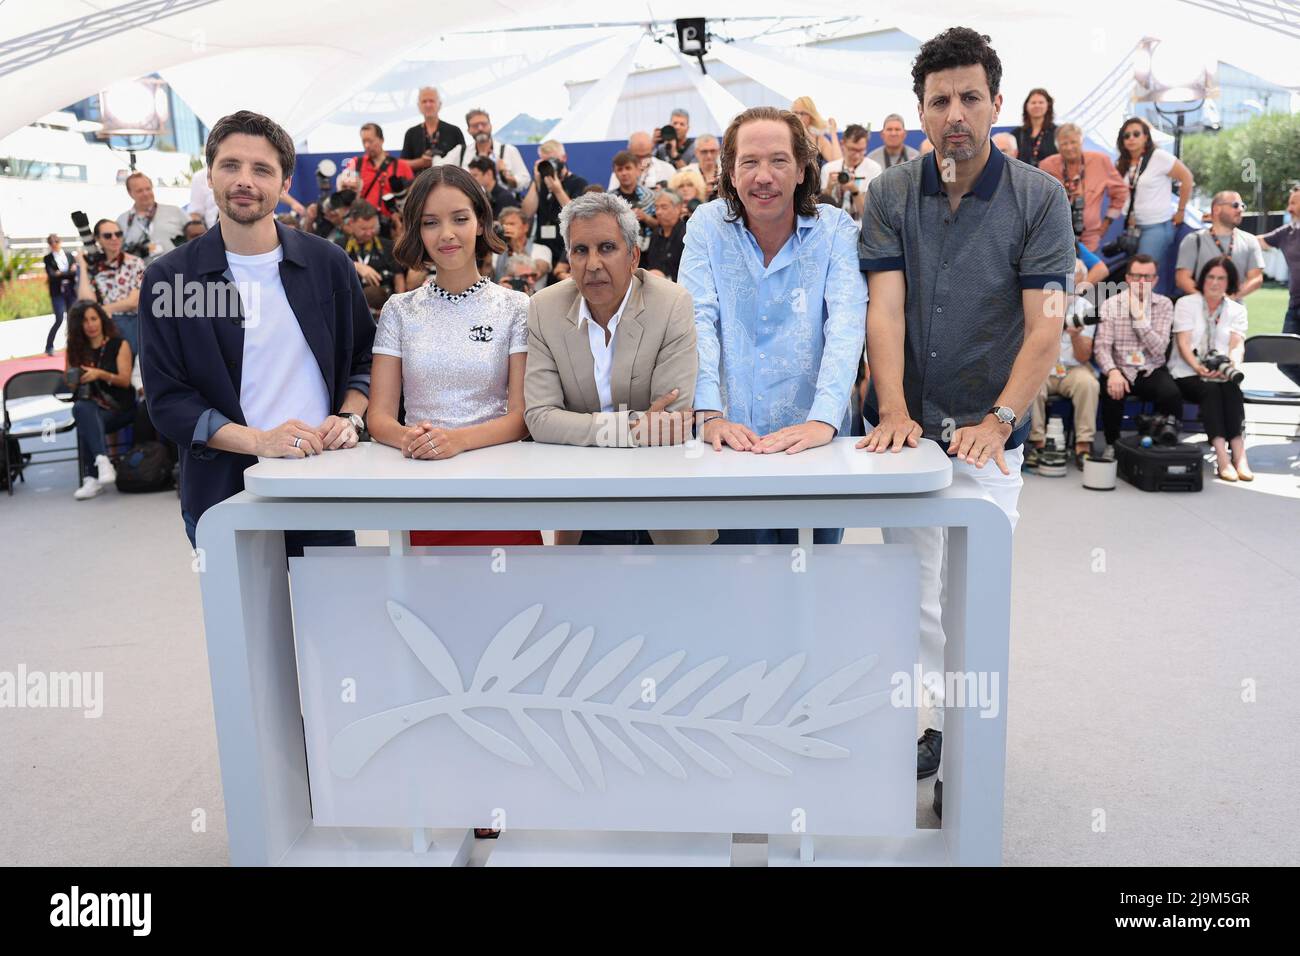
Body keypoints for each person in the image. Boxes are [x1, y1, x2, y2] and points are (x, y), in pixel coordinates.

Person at [856, 28, 1073, 813]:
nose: (955, 113)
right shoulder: (888, 193)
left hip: (992, 434)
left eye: (970, 97)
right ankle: (931, 726)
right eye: (940, 99)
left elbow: (1046, 323)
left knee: (972, 598)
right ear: (920, 110)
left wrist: (1002, 416)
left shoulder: (1040, 198)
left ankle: (965, 751)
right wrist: (892, 408)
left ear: (996, 103)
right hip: (907, 431)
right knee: (912, 591)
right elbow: (885, 309)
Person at [139, 110, 374, 553]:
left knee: (330, 600)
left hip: (321, 485)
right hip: (223, 493)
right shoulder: (172, 279)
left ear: (285, 184)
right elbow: (168, 400)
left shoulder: (327, 264)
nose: (244, 180)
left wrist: (350, 417)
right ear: (210, 174)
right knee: (242, 603)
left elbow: (366, 357)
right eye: (231, 165)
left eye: (262, 169)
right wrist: (260, 442)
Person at [681, 105, 866, 546]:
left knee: (813, 570)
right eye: (749, 162)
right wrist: (708, 414)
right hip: (731, 441)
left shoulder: (835, 230)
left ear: (802, 169)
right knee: (741, 572)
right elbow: (696, 319)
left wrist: (823, 420)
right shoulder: (707, 226)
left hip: (815, 443)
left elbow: (846, 325)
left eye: (779, 160)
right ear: (730, 172)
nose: (763, 176)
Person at [368, 164, 539, 548]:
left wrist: (457, 441)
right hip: (421, 484)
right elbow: (378, 417)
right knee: (422, 586)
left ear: (480, 222)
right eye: (431, 223)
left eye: (459, 219)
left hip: (500, 485)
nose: (446, 234)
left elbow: (520, 418)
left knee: (517, 585)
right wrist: (414, 440)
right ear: (417, 231)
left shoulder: (515, 306)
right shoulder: (399, 310)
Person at [525, 192, 697, 546]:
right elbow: (540, 418)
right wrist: (631, 428)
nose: (592, 264)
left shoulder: (671, 303)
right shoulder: (544, 308)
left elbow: (672, 421)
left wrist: (580, 425)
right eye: (580, 250)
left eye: (607, 248)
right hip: (583, 507)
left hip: (661, 506)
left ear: (633, 256)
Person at [1170, 257, 1252, 480]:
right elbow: (1183, 344)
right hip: (1187, 372)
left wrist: (1231, 365)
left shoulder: (1236, 310)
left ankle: (1240, 455)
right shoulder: (1186, 304)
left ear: (1229, 282)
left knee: (1232, 388)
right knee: (1211, 390)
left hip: (1221, 372)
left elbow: (1237, 345)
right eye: (1211, 277)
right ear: (1202, 279)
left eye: (1221, 278)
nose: (1215, 283)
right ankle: (1221, 456)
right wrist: (1198, 368)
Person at [1094, 254, 1182, 455]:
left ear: (1155, 280)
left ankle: (1164, 442)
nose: (1141, 282)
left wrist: (1139, 318)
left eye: (1147, 277)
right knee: (1112, 390)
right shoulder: (1111, 304)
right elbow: (1101, 347)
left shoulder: (1164, 304)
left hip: (1151, 368)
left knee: (1171, 394)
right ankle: (1112, 445)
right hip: (1120, 367)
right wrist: (1112, 372)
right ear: (1127, 278)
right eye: (1136, 276)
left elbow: (1159, 348)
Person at [1027, 259, 1100, 469]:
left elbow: (1084, 356)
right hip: (1042, 367)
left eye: (1075, 279)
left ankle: (1083, 446)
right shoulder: (1039, 303)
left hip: (1072, 368)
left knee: (1089, 384)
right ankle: (1038, 444)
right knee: (1029, 384)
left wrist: (1075, 336)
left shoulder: (1086, 309)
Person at [64, 300, 135, 500]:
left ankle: (91, 477)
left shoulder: (119, 344)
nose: (90, 325)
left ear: (102, 319)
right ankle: (102, 461)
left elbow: (125, 381)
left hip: (119, 407)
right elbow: (69, 383)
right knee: (82, 409)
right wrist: (74, 379)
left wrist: (99, 374)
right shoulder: (75, 349)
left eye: (94, 318)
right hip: (91, 408)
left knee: (84, 419)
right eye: (84, 321)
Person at [1115, 116, 1193, 272]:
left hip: (1156, 227)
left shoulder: (1159, 156)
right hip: (1132, 227)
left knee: (1142, 273)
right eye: (1126, 135)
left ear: (1146, 137)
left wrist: (1181, 210)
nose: (1131, 138)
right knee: (1135, 274)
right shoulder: (1123, 162)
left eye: (1136, 134)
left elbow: (1187, 178)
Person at [1038, 122, 1129, 253]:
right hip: (1056, 236)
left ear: (1081, 142)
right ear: (1057, 146)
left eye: (1073, 142)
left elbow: (1121, 192)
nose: (1069, 147)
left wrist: (1107, 222)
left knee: (1089, 266)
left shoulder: (1100, 160)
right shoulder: (1046, 165)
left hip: (1090, 237)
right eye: (1064, 144)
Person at [74, 219, 145, 360]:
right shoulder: (93, 266)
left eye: (118, 234)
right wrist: (82, 266)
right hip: (102, 328)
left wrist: (101, 310)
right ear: (97, 239)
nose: (114, 238)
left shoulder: (135, 263)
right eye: (108, 235)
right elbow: (86, 302)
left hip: (130, 325)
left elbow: (133, 302)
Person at [1175, 191, 1265, 300]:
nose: (1240, 210)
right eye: (1235, 205)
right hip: (1199, 307)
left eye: (1242, 206)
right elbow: (1182, 278)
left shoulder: (1250, 240)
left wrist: (1230, 299)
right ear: (1217, 209)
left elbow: (1256, 278)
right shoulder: (1193, 240)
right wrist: (1208, 300)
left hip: (1234, 308)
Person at [521, 139, 588, 276]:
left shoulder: (578, 183)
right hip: (543, 249)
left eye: (553, 160)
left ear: (564, 158)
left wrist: (557, 190)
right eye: (545, 162)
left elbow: (577, 214)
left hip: (567, 248)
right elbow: (526, 213)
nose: (550, 165)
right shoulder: (541, 183)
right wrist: (536, 181)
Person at [1257, 184, 1300, 386]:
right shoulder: (1287, 233)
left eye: (1294, 203)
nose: (1289, 208)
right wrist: (1222, 228)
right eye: (1289, 203)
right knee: (1285, 361)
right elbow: (1256, 241)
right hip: (1294, 306)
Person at [337, 200, 405, 313]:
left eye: (373, 227)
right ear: (351, 223)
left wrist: (399, 308)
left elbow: (399, 279)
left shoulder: (387, 246)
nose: (369, 233)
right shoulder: (339, 246)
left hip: (384, 309)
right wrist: (355, 266)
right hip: (350, 309)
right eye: (363, 229)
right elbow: (329, 270)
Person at [440, 109, 530, 195]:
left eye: (484, 124)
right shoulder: (461, 152)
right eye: (475, 125)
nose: (480, 128)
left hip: (503, 203)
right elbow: (440, 170)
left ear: (490, 126)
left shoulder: (508, 150)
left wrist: (506, 176)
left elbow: (525, 180)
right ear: (469, 130)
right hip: (471, 203)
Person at [350, 123, 414, 235]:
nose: (367, 145)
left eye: (370, 141)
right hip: (365, 228)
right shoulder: (356, 164)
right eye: (364, 141)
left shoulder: (401, 166)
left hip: (393, 228)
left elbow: (413, 199)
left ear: (381, 140)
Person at [117, 172, 189, 264]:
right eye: (139, 191)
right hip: (141, 271)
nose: (145, 193)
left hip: (177, 269)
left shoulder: (175, 211)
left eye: (148, 189)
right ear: (130, 193)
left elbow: (196, 238)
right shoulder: (122, 221)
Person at [818, 124, 883, 221]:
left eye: (861, 150)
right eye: (852, 149)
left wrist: (854, 190)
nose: (856, 155)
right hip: (833, 225)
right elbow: (822, 212)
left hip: (861, 227)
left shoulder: (874, 169)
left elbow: (870, 216)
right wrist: (829, 188)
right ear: (842, 144)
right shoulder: (829, 169)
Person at [400, 86, 466, 173]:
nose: (428, 105)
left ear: (440, 104)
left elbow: (465, 160)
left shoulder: (454, 131)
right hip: (420, 180)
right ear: (418, 105)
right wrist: (421, 162)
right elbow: (401, 164)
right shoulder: (411, 133)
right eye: (424, 101)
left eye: (431, 101)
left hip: (450, 179)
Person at [493, 206, 553, 287]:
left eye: (511, 224)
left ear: (526, 227)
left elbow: (537, 273)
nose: (507, 227)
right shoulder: (496, 253)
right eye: (504, 225)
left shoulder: (542, 250)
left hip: (533, 294)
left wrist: (516, 244)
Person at [42, 233, 77, 356]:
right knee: (59, 318)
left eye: (56, 241)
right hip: (57, 292)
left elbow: (74, 272)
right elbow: (52, 275)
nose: (54, 244)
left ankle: (72, 345)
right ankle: (49, 346)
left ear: (60, 241)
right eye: (51, 242)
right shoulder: (48, 258)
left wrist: (60, 273)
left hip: (71, 291)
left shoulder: (69, 255)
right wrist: (67, 273)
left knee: (72, 318)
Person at [610, 150, 657, 238]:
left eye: (628, 168)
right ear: (615, 173)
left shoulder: (651, 196)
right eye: (620, 169)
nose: (624, 173)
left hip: (649, 243)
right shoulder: (609, 199)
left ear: (638, 170)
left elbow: (662, 226)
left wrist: (645, 217)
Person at [642, 190, 687, 281]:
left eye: (664, 207)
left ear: (678, 208)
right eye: (656, 207)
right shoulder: (655, 234)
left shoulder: (686, 236)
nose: (658, 212)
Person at [607, 132, 676, 191]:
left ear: (652, 149)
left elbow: (677, 197)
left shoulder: (668, 169)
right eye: (637, 157)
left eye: (646, 156)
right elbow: (612, 200)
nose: (642, 161)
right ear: (629, 151)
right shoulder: (622, 173)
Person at [790, 96, 842, 167]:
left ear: (811, 116)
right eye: (795, 113)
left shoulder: (819, 140)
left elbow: (838, 163)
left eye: (802, 113)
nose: (798, 117)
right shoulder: (787, 134)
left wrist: (833, 133)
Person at [1014, 87, 1057, 167]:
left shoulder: (1057, 132)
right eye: (1033, 103)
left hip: (1048, 174)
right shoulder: (1017, 133)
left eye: (1041, 102)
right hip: (1021, 174)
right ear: (1026, 106)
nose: (1037, 105)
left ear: (1048, 105)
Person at [685, 133, 721, 200]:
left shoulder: (727, 171)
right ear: (696, 152)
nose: (709, 156)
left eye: (712, 151)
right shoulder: (685, 173)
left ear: (719, 151)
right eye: (704, 151)